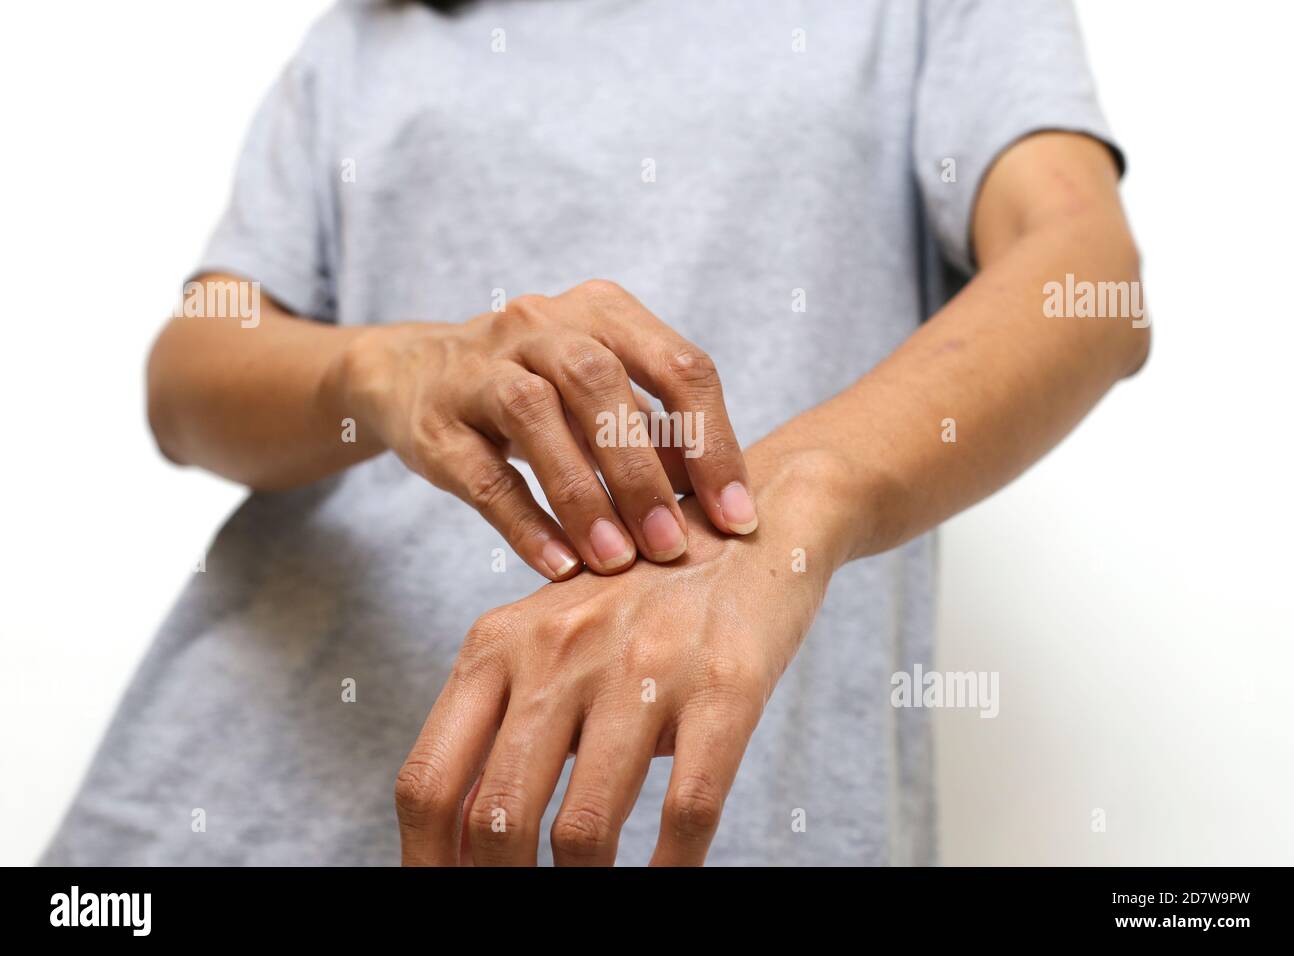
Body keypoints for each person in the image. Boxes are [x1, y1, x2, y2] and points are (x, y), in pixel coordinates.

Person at [42, 0, 1148, 866]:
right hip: (223, 805)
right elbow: (186, 378)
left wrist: (774, 517)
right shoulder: (362, 39)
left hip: (705, 820)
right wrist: (379, 366)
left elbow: (1085, 274)